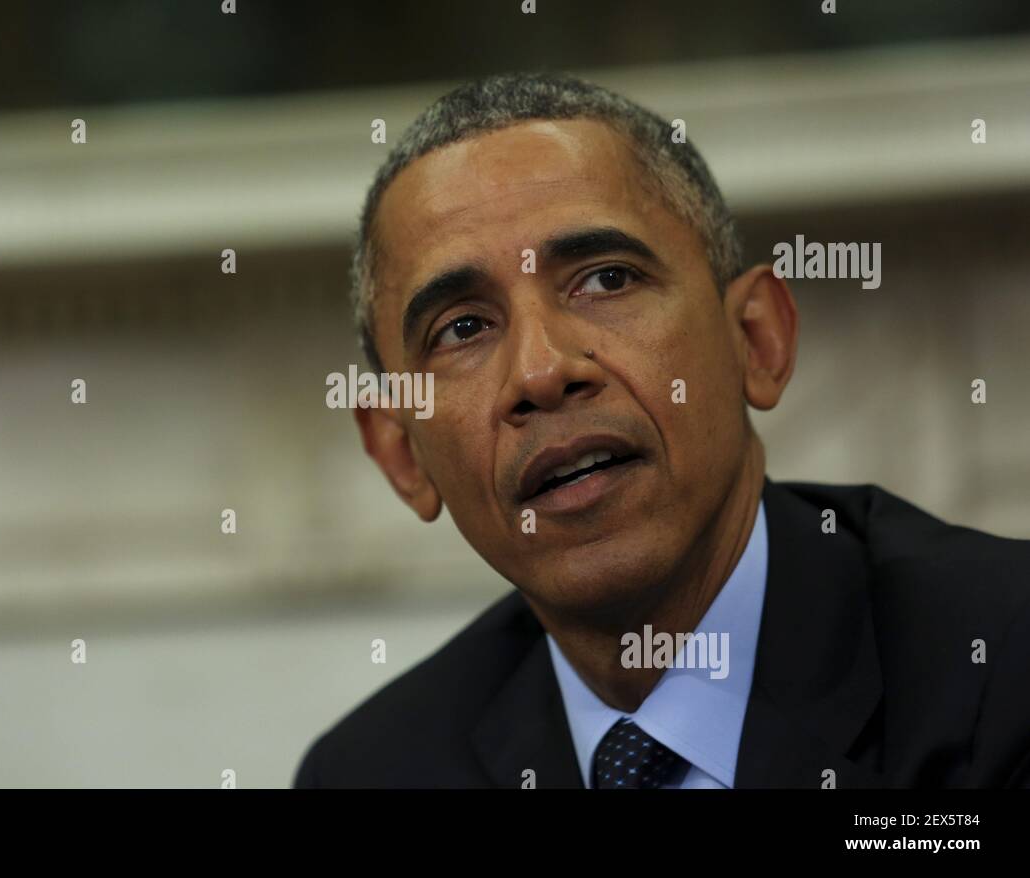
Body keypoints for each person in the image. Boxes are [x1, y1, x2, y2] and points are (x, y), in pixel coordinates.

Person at [293, 73, 1030, 788]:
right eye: (462, 328)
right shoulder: (370, 772)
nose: (543, 372)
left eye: (606, 280)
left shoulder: (1002, 665)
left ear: (756, 340)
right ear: (401, 455)